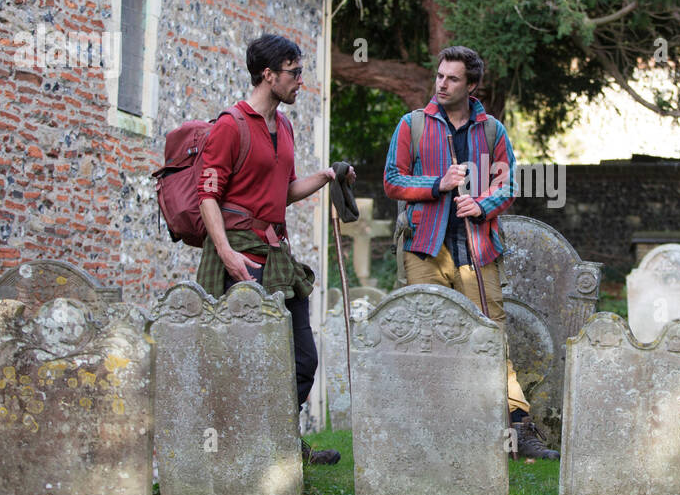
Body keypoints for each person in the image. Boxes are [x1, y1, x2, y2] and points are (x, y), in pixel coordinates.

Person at [383, 45, 559, 460]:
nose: (442, 84)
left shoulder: (492, 131)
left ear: (472, 85)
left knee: (490, 337)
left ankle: (519, 431)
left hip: (477, 250)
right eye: (440, 76)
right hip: (424, 248)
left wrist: (481, 205)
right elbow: (393, 180)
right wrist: (437, 185)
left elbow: (508, 185)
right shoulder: (412, 125)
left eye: (452, 78)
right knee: (427, 338)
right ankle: (430, 431)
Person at [196, 33, 350, 465]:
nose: (301, 80)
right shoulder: (231, 125)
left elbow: (282, 191)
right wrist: (226, 253)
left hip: (277, 255)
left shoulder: (283, 125)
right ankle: (251, 454)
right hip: (241, 255)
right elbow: (208, 194)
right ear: (268, 76)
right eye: (294, 73)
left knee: (303, 359)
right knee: (247, 362)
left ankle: (281, 441)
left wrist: (325, 177)